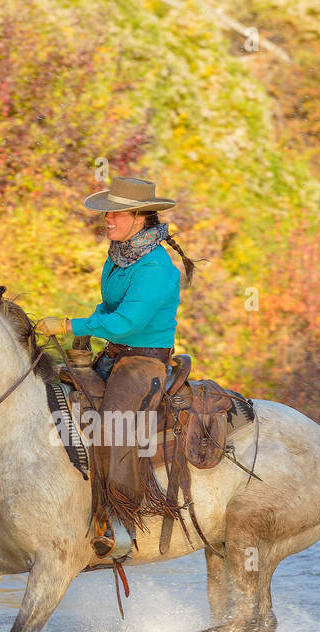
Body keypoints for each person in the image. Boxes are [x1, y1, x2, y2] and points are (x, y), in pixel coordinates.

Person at [37, 176, 198, 559]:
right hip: (114, 353)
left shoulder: (156, 267)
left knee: (115, 422)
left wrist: (71, 326)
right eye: (107, 212)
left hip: (144, 360)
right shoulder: (119, 254)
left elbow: (128, 323)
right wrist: (85, 327)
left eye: (115, 213)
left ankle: (122, 520)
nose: (107, 219)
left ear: (140, 218)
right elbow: (107, 310)